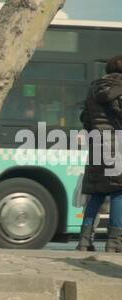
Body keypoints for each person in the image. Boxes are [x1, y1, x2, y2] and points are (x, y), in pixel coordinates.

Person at [80, 56, 122, 253]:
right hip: (118, 145)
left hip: (97, 143)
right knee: (118, 191)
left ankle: (84, 240)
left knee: (96, 192)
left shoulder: (93, 88)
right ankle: (114, 241)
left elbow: (86, 119)